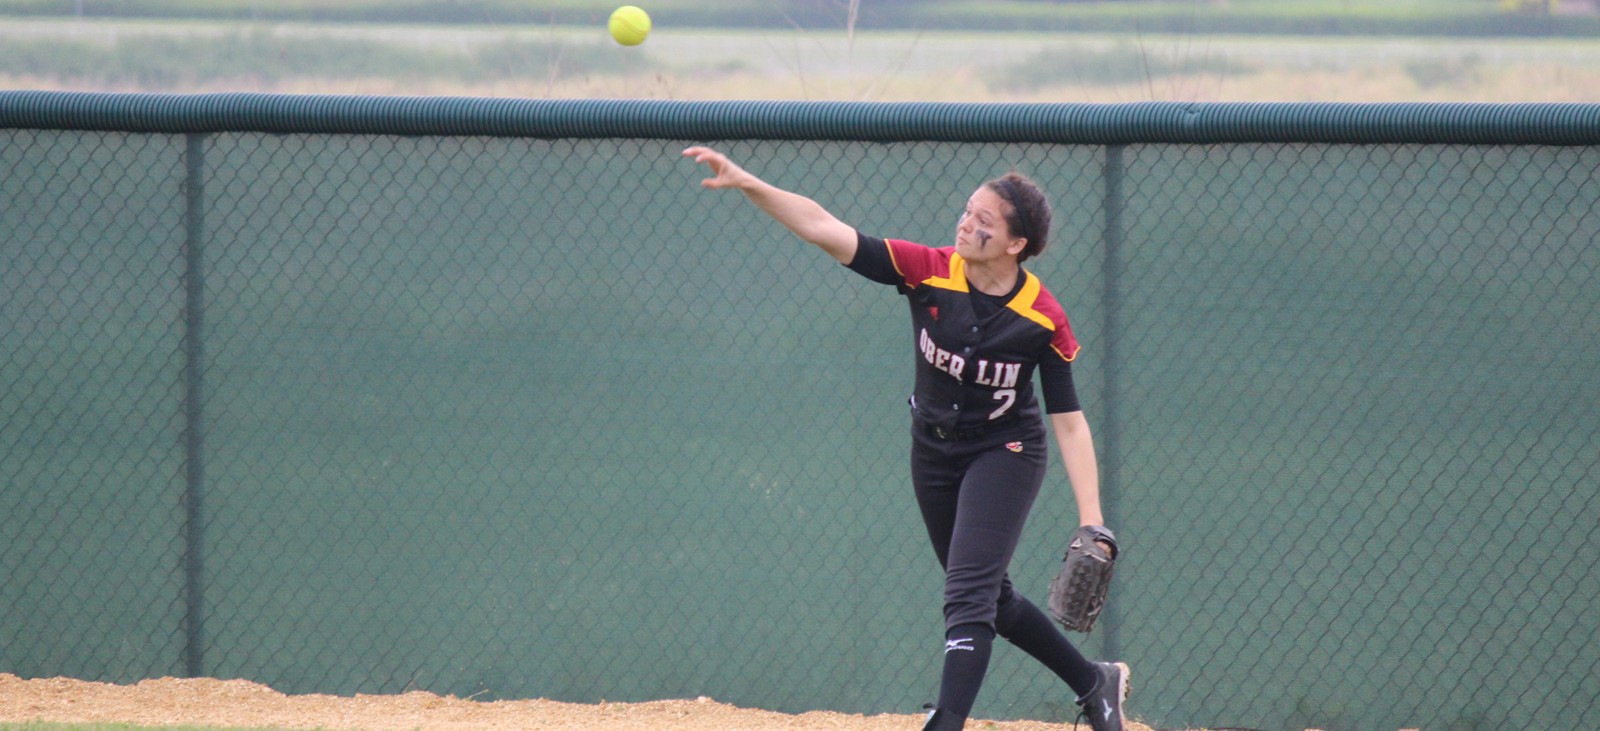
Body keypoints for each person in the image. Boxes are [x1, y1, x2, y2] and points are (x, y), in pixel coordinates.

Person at [683, 146, 1130, 731]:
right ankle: (1094, 682)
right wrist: (748, 183)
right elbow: (824, 228)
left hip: (1006, 452)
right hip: (934, 451)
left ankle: (946, 722)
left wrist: (1091, 518)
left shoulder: (1042, 316)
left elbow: (1067, 419)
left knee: (967, 594)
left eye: (984, 223)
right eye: (968, 211)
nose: (966, 224)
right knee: (988, 596)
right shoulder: (928, 269)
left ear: (1016, 244)